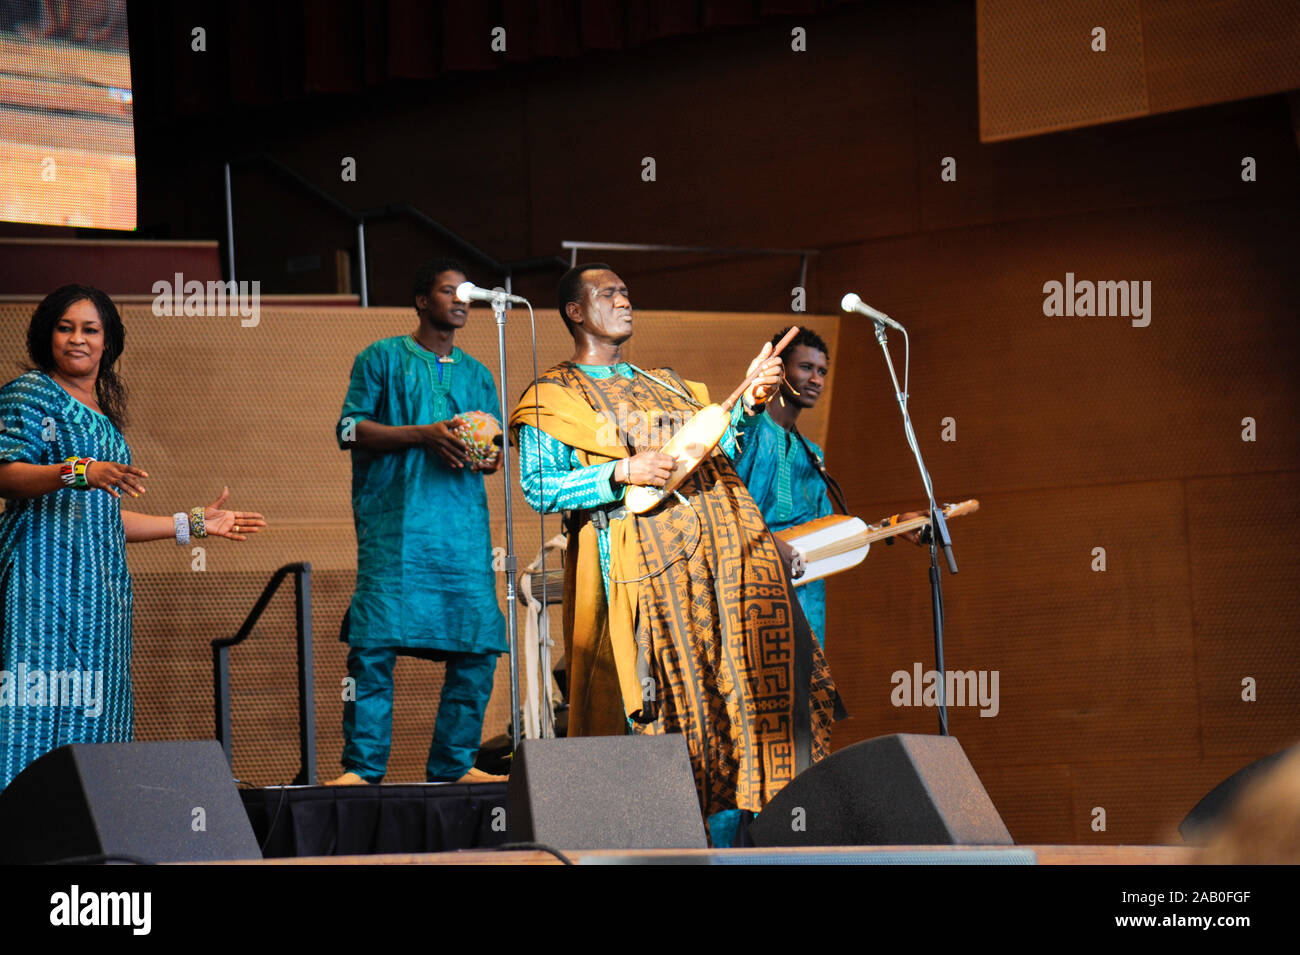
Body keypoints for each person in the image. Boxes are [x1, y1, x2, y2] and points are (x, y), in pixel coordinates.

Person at [508, 264, 842, 835]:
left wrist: (751, 402)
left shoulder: (664, 383)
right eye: (609, 294)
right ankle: (656, 839)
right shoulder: (551, 397)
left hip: (707, 575)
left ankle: (738, 837)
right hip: (630, 578)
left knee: (724, 707)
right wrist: (621, 471)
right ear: (575, 311)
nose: (625, 301)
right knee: (654, 715)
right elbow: (539, 486)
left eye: (627, 292)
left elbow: (714, 450)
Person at [0, 285, 266, 791]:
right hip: (39, 591)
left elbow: (103, 517)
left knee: (94, 723)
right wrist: (79, 470)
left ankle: (80, 835)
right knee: (26, 713)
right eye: (65, 327)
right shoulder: (30, 393)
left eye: (90, 330)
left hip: (99, 602)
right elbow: (6, 474)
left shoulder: (102, 417)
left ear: (108, 343)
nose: (77, 339)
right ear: (46, 335)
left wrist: (193, 524)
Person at [328, 259, 506, 786]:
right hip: (396, 529)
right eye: (448, 291)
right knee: (375, 646)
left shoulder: (477, 373)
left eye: (466, 294)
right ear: (421, 301)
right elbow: (348, 429)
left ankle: (453, 767)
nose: (460, 300)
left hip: (462, 534)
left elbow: (494, 453)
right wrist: (425, 434)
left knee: (479, 646)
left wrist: (484, 455)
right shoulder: (380, 357)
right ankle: (362, 770)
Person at [735, 326, 923, 645]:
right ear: (780, 370)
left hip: (805, 598)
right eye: (806, 367)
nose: (817, 380)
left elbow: (824, 532)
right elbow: (724, 508)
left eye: (822, 371)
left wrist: (891, 526)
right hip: (751, 593)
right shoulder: (746, 429)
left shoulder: (813, 454)